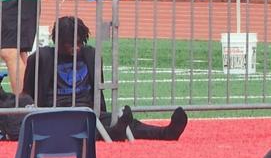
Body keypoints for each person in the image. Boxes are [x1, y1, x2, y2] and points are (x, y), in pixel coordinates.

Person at [16, 16, 187, 140]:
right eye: (70, 44)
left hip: (89, 112)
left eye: (78, 43)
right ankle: (113, 132)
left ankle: (166, 133)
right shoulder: (42, 57)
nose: (76, 48)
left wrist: (102, 112)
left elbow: (98, 92)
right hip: (56, 114)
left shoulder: (90, 55)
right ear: (58, 41)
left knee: (128, 122)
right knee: (72, 130)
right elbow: (27, 93)